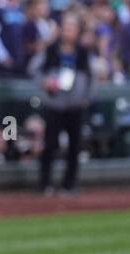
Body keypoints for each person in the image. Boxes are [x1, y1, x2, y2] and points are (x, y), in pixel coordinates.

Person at [30, 11, 94, 196]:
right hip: (55, 104)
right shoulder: (51, 50)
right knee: (50, 145)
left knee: (74, 147)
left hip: (75, 105)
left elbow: (92, 78)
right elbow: (34, 70)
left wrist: (87, 97)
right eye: (65, 28)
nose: (68, 32)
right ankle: (45, 184)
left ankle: (69, 184)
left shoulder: (82, 53)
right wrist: (44, 83)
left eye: (72, 28)